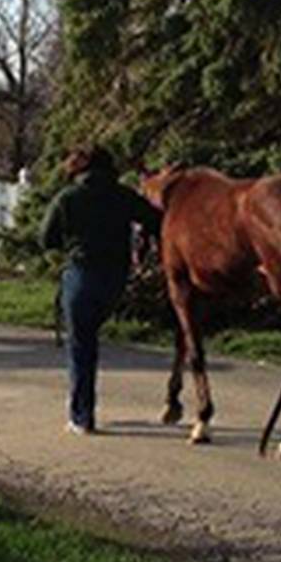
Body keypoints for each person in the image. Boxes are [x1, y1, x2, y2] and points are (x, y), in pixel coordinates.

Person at [40, 145, 161, 435]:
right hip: (115, 279)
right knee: (90, 336)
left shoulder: (68, 197)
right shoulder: (123, 196)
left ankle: (82, 415)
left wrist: (68, 245)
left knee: (81, 345)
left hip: (81, 274)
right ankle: (82, 407)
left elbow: (47, 238)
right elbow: (155, 219)